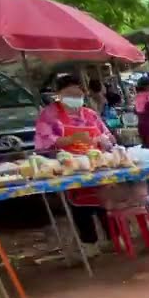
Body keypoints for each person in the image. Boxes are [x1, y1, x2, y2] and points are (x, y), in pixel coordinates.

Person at [34, 74, 116, 256]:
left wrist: (103, 141)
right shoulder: (49, 115)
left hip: (96, 164)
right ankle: (90, 244)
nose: (75, 98)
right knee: (80, 207)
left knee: (105, 203)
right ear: (59, 94)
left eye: (77, 93)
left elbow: (109, 138)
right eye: (69, 93)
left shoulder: (90, 114)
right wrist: (70, 139)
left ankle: (113, 239)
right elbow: (44, 143)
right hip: (70, 167)